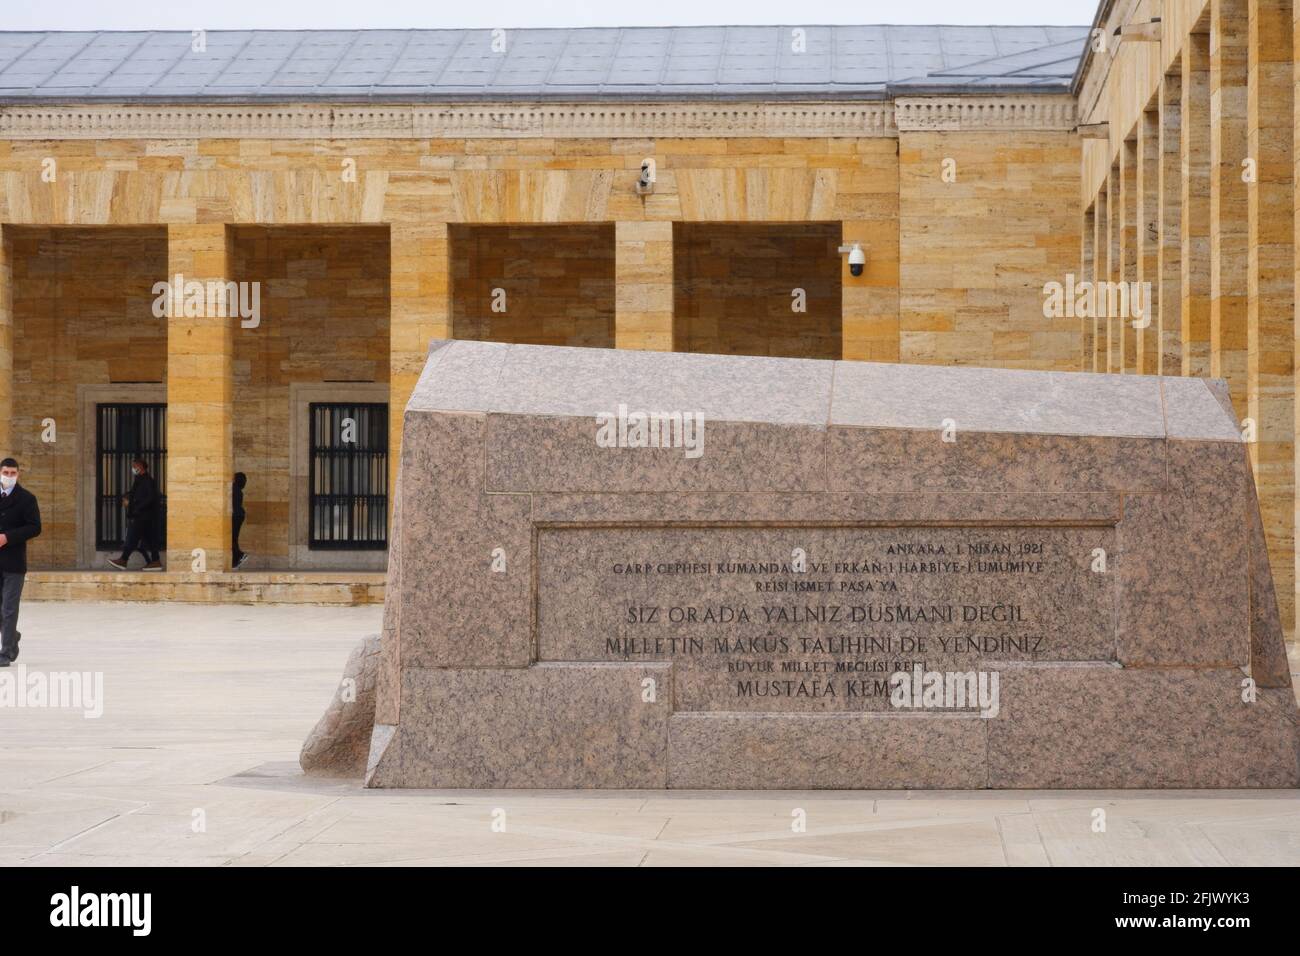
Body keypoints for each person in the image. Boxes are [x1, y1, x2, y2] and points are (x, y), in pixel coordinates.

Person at [0, 457, 42, 667]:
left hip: (14, 563)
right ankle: (12, 636)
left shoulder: (27, 499)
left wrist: (8, 537)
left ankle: (6, 652)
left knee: (9, 608)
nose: (9, 477)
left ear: (18, 474)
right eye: (6, 473)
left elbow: (35, 527)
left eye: (12, 473)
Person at [108, 457, 161, 571]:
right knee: (149, 539)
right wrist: (126, 497)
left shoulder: (147, 481)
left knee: (132, 537)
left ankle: (123, 560)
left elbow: (151, 498)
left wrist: (135, 505)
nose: (132, 468)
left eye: (134, 466)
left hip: (143, 516)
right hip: (142, 516)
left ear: (140, 467)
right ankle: (155, 562)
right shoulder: (139, 480)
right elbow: (134, 494)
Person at [232, 472, 249, 569]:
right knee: (233, 538)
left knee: (231, 538)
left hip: (235, 516)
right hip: (238, 516)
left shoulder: (233, 488)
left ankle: (239, 556)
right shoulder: (238, 490)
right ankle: (235, 562)